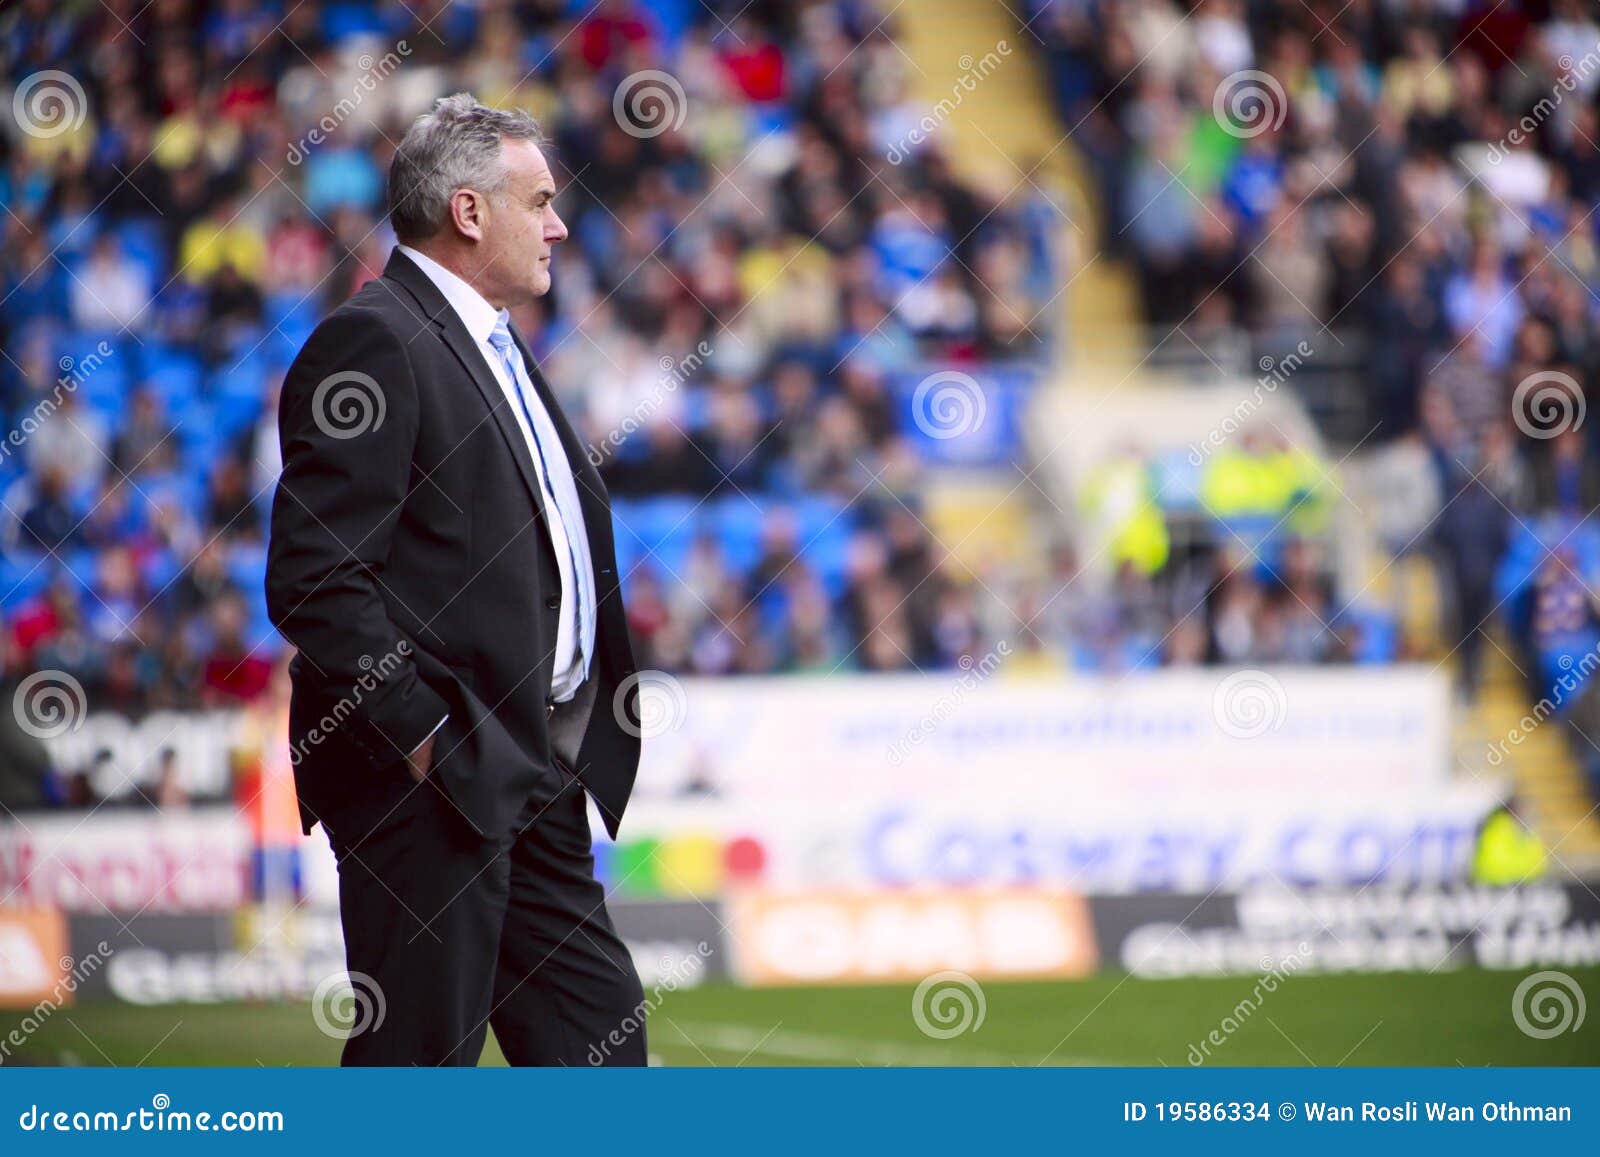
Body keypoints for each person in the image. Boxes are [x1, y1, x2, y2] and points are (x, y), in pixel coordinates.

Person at [265, 94, 646, 1066]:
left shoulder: (491, 342)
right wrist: (427, 737)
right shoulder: (377, 340)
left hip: (529, 770)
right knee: (418, 1065)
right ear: (469, 211)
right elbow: (316, 580)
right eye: (540, 201)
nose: (560, 226)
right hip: (433, 783)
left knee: (603, 1049)